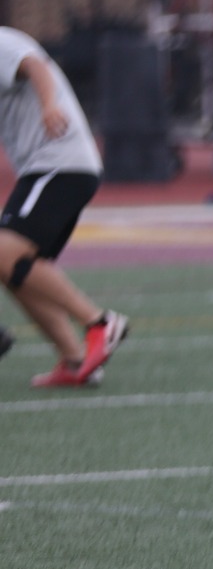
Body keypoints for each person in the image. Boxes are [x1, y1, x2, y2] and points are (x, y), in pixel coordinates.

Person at [0, 27, 127, 388]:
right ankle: (73, 361)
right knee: (13, 267)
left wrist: (49, 105)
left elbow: (36, 66)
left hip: (58, 163)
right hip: (53, 167)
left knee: (4, 253)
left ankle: (99, 322)